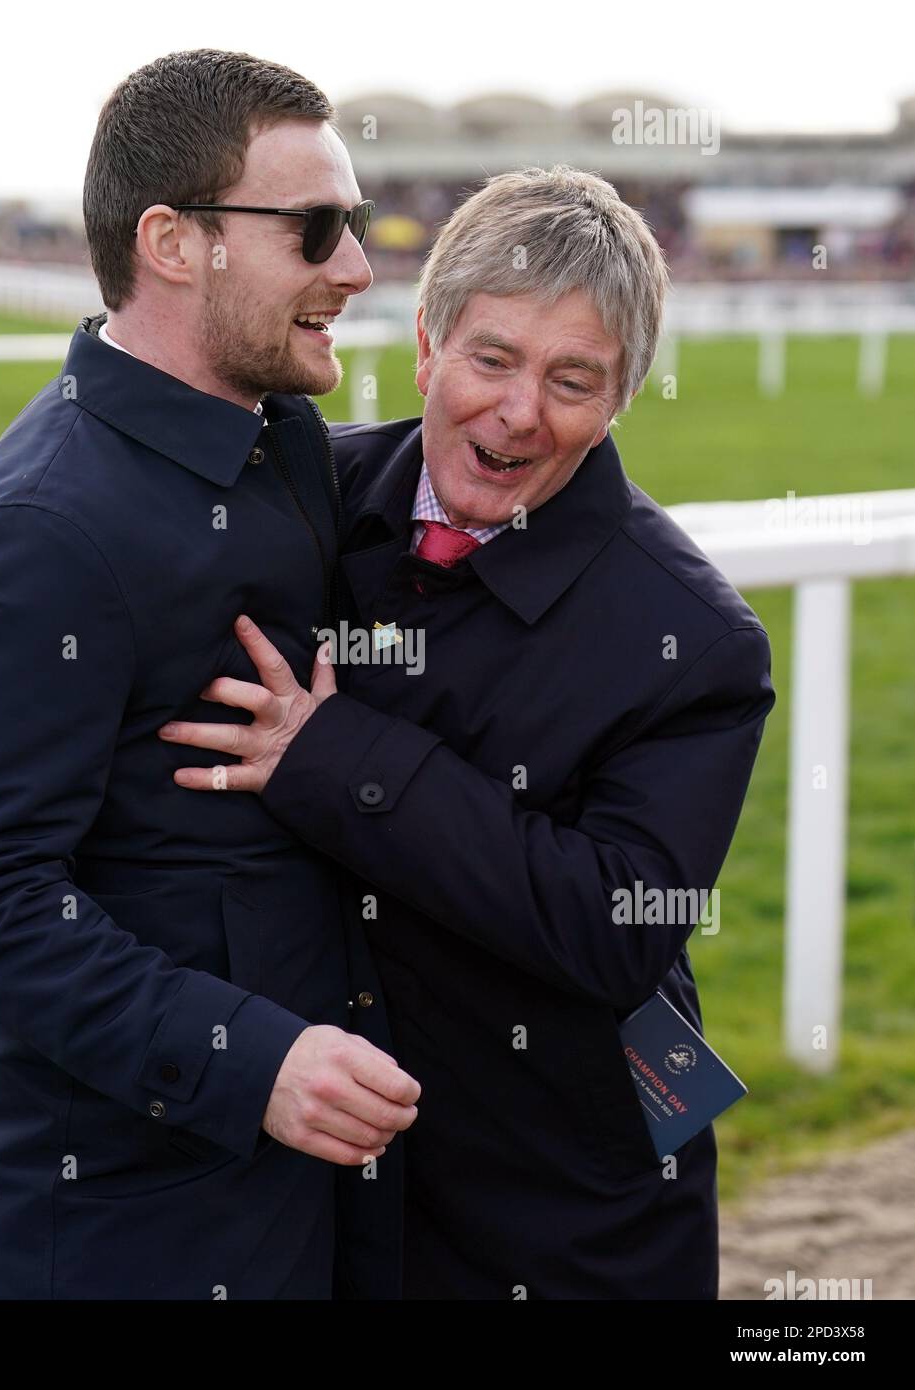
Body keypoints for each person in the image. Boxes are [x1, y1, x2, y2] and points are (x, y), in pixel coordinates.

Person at [159, 164, 777, 1299]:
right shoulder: (299, 500)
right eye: (493, 358)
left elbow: (613, 925)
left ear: (622, 397)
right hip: (301, 1172)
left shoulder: (695, 640)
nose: (521, 411)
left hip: (558, 1203)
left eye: (573, 379)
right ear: (429, 347)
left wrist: (337, 759)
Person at [0, 48, 418, 1301]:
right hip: (121, 1228)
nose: (355, 266)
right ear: (174, 243)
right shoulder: (40, 532)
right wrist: (256, 1061)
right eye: (315, 229)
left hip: (304, 1194)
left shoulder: (280, 438)